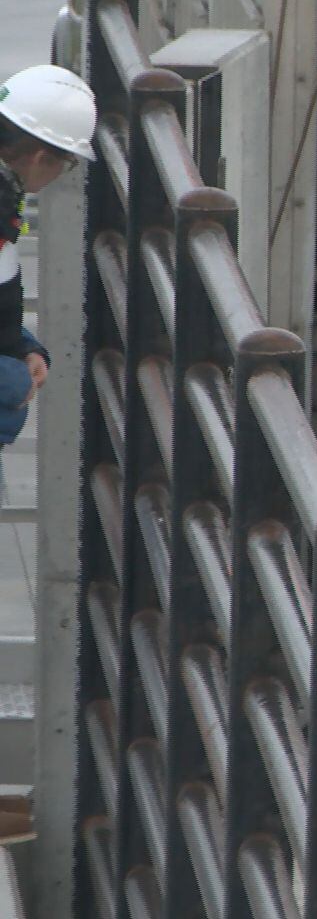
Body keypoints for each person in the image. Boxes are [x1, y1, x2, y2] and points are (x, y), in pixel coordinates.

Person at [0, 63, 93, 846]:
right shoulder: (1, 195)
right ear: (38, 155)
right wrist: (16, 368)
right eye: (61, 163)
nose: (58, 177)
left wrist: (19, 343)